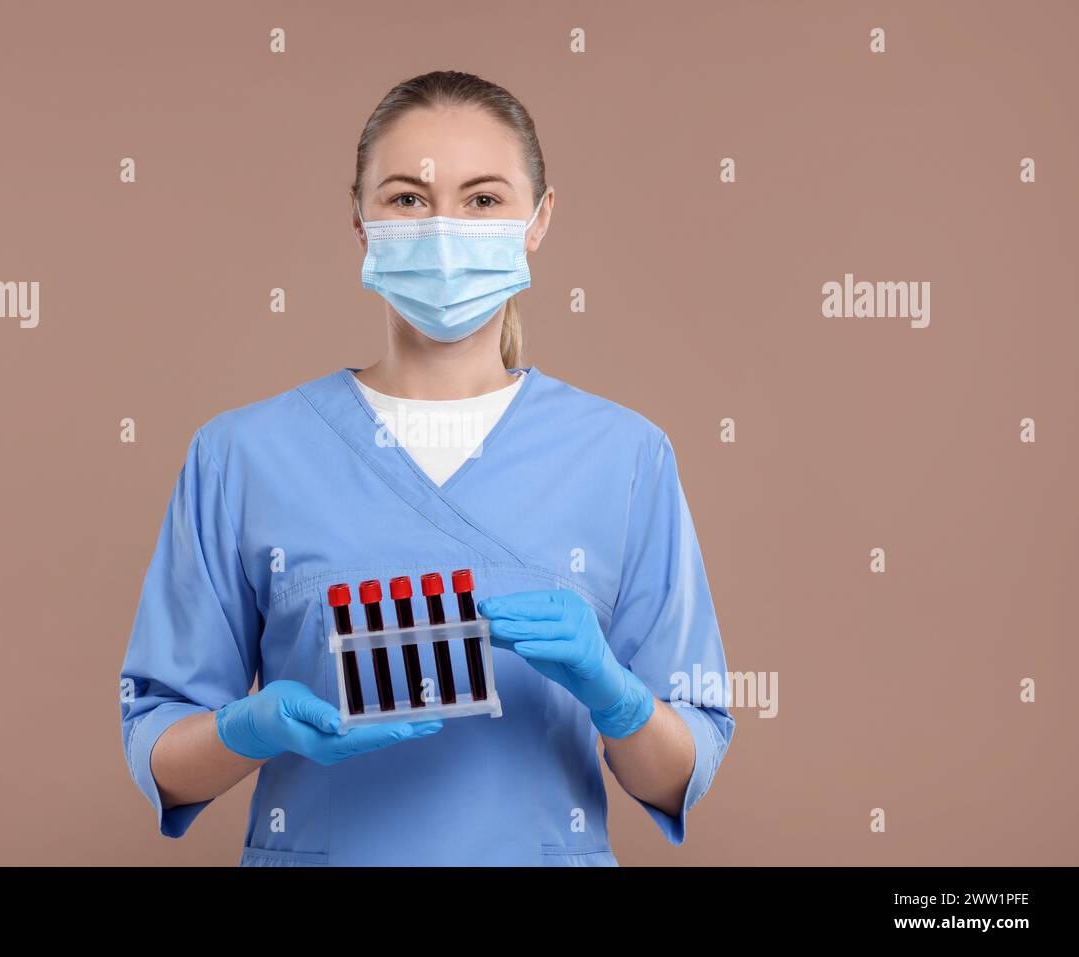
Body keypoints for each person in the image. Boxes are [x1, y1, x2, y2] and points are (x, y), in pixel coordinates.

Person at [119, 70, 733, 866]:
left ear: (539, 220)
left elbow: (678, 773)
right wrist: (252, 726)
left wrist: (612, 694)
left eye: (484, 201)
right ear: (359, 220)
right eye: (408, 198)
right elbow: (158, 746)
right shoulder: (240, 455)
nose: (445, 228)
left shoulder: (625, 456)